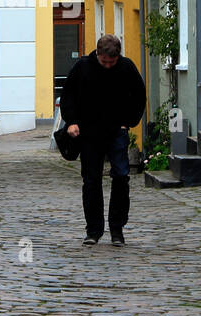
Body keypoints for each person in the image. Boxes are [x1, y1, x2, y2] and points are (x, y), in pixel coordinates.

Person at [59, 33, 147, 246]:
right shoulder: (83, 67)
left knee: (121, 177)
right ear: (97, 54)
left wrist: (129, 122)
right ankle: (93, 230)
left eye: (112, 62)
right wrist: (71, 121)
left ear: (118, 56)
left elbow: (139, 96)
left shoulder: (126, 68)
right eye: (104, 61)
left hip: (117, 131)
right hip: (88, 133)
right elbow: (68, 94)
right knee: (91, 180)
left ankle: (117, 229)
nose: (108, 65)